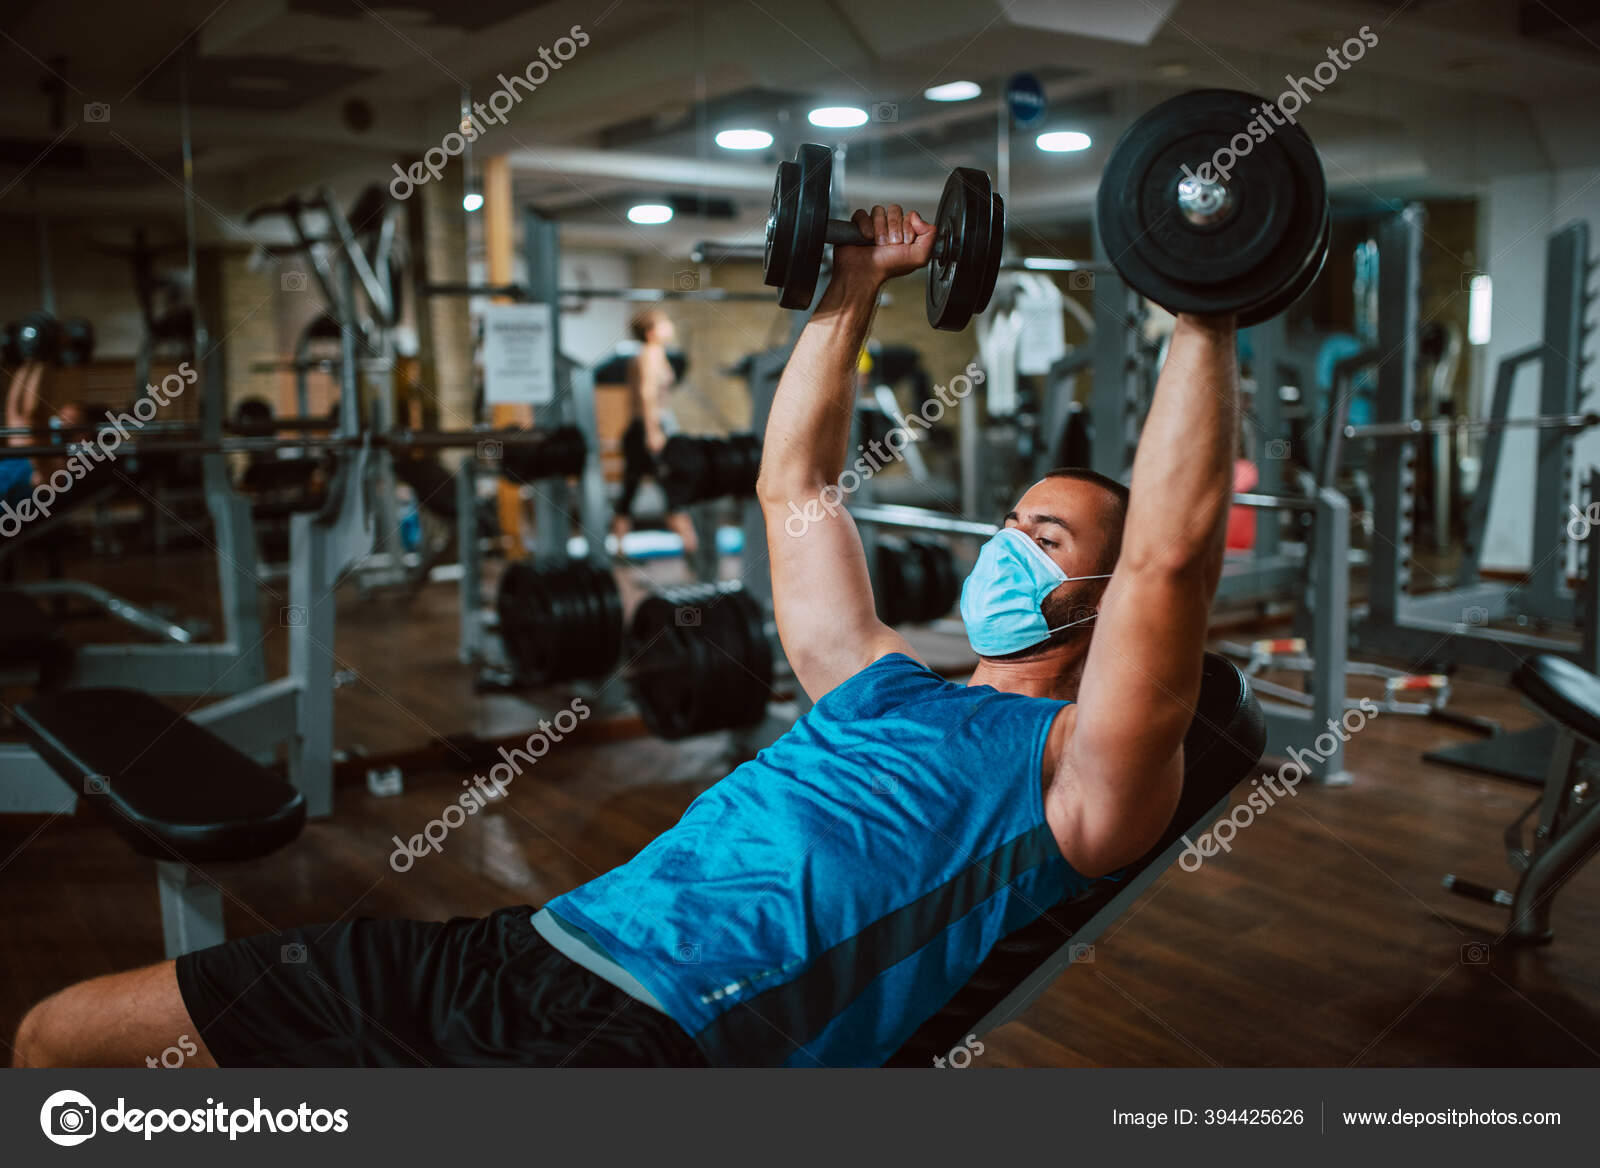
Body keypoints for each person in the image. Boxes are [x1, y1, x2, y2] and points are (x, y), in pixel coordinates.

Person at [12, 203, 1239, 1069]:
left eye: (1049, 538)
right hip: (516, 950)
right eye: (1010, 519)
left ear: (1103, 596)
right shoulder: (874, 680)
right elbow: (794, 490)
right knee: (62, 1040)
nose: (1006, 546)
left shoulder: (1082, 777)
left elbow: (1175, 559)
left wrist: (1202, 307)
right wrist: (852, 287)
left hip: (653, 1047)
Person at [611, 309, 697, 558]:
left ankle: (688, 544)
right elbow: (647, 395)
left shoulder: (655, 354)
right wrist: (653, 432)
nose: (670, 327)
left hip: (652, 427)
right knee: (656, 486)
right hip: (644, 431)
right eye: (665, 323)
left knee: (653, 486)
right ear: (651, 332)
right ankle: (690, 545)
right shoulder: (649, 354)